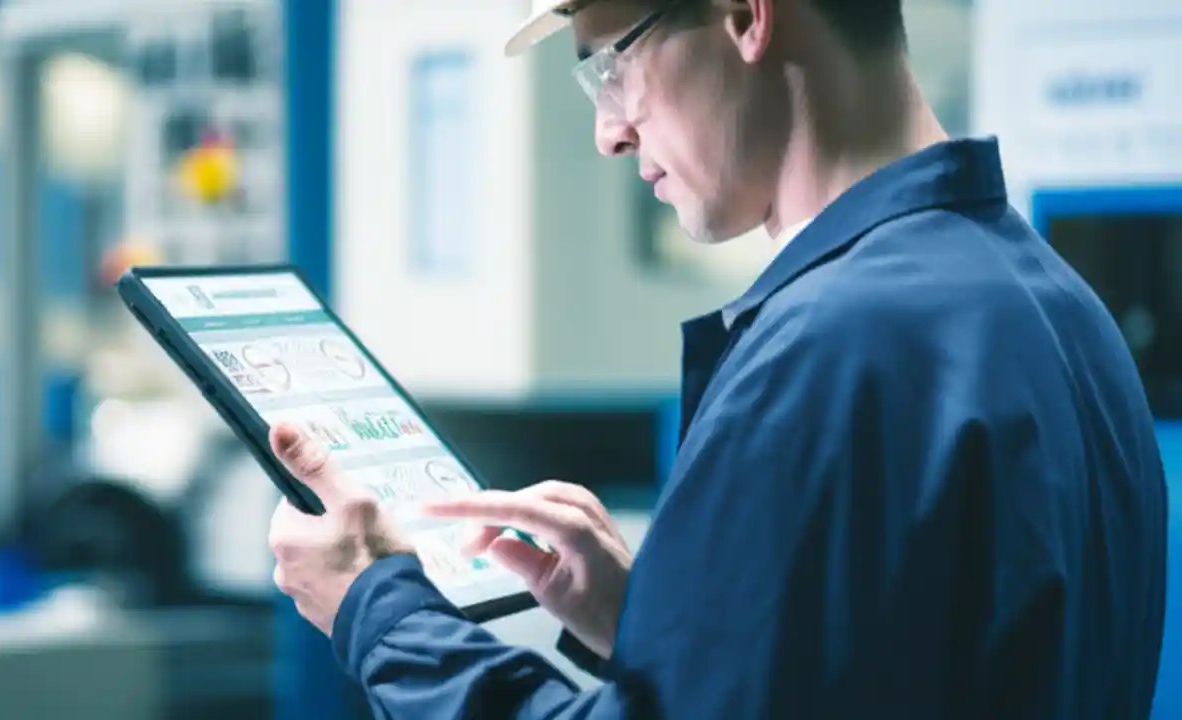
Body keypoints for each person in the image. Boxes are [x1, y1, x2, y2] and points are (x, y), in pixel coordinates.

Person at [266, 0, 1168, 717]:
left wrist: (377, 612)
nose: (608, 131)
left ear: (745, 15)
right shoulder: (1056, 304)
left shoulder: (827, 350)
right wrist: (666, 630)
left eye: (609, 65)